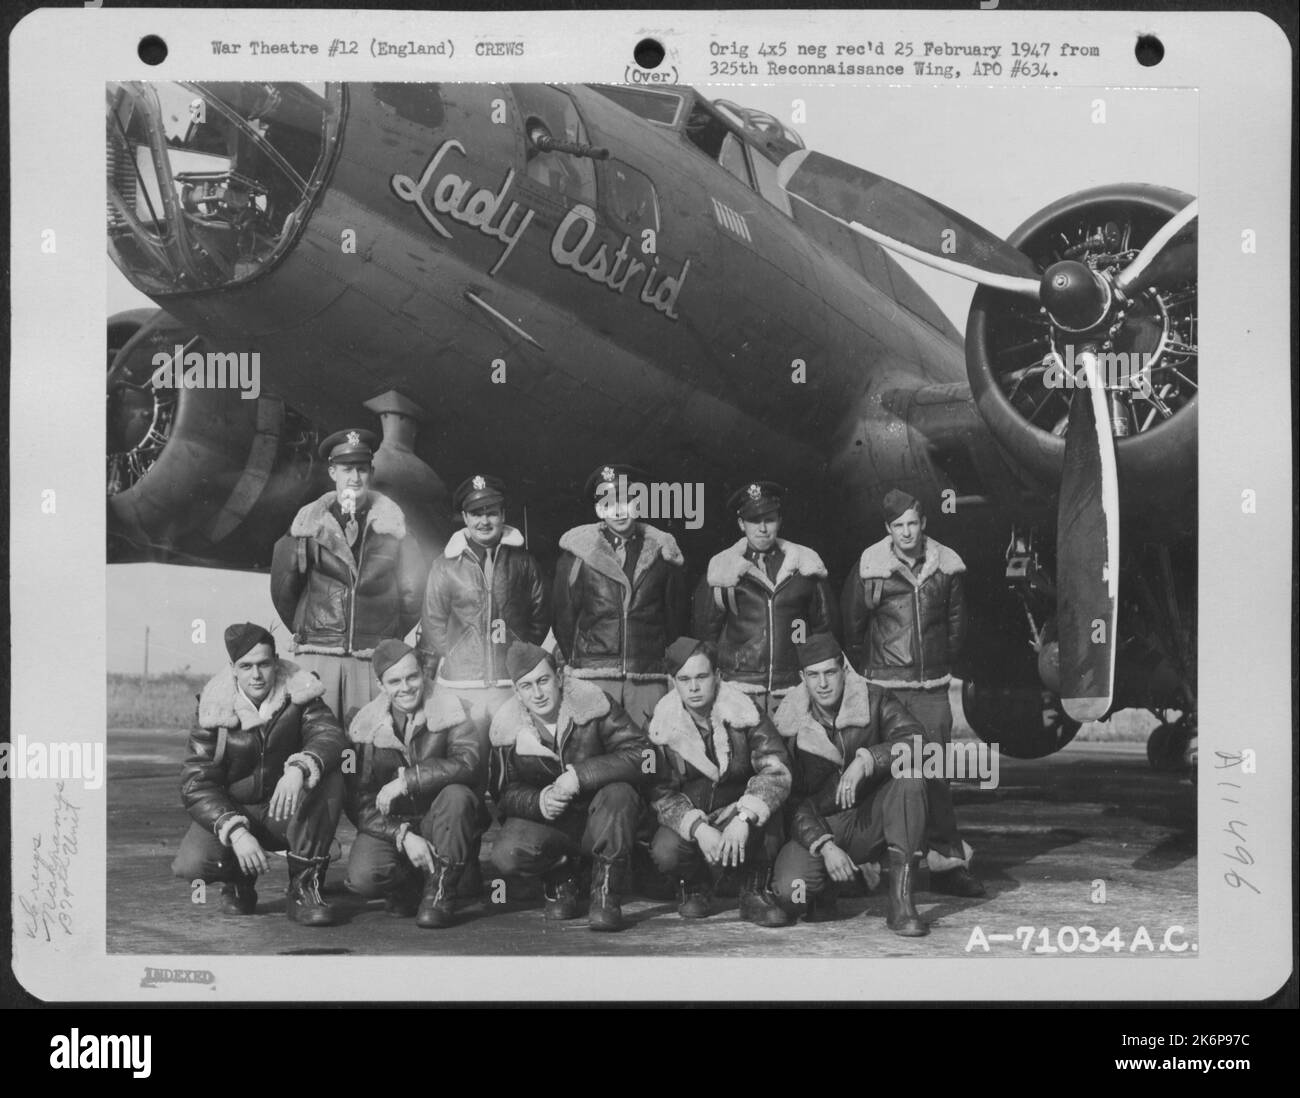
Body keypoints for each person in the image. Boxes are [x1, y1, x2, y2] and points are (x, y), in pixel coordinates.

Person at [841, 488, 984, 898]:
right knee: (881, 774)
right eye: (898, 525)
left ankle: (947, 863)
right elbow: (852, 628)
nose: (907, 532)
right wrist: (875, 673)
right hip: (885, 690)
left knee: (935, 775)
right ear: (888, 529)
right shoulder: (870, 568)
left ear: (924, 525)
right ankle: (871, 861)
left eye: (913, 524)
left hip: (931, 690)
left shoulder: (947, 567)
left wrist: (935, 665)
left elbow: (956, 629)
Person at [172, 623, 347, 926]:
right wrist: (235, 832)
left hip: (285, 809)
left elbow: (329, 735)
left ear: (276, 662)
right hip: (236, 810)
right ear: (233, 668)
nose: (256, 675)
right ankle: (238, 879)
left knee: (330, 776)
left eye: (264, 664)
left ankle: (304, 889)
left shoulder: (301, 692)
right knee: (192, 864)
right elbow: (196, 782)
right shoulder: (213, 707)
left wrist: (299, 767)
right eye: (246, 666)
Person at [771, 634, 930, 936]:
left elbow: (918, 741)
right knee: (792, 892)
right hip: (824, 824)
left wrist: (868, 759)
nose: (823, 684)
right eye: (814, 675)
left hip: (874, 816)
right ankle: (831, 889)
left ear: (844, 671)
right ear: (802, 678)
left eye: (830, 673)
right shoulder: (788, 722)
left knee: (911, 779)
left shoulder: (875, 698)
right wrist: (825, 845)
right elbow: (791, 801)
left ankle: (901, 903)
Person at [488, 642, 648, 932]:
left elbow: (642, 756)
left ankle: (605, 894)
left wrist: (580, 775)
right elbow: (505, 793)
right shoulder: (507, 727)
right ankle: (561, 875)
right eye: (526, 686)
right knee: (506, 854)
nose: (537, 693)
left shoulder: (595, 704)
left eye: (543, 681)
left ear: (559, 677)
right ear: (516, 691)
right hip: (552, 825)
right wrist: (539, 801)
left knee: (620, 793)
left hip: (599, 819)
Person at [270, 428, 424, 727]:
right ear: (332, 472)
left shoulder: (396, 530)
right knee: (317, 738)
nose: (355, 477)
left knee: (368, 747)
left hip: (372, 658)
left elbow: (412, 594)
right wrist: (315, 629)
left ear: (371, 472)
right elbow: (284, 590)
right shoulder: (306, 527)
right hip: (319, 654)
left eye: (362, 469)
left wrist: (381, 633)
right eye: (346, 469)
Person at [646, 637, 793, 927]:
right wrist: (698, 828)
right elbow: (659, 792)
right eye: (684, 679)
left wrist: (744, 815)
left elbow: (776, 769)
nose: (694, 687)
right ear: (673, 681)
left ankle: (754, 891)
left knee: (770, 813)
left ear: (718, 676)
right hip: (694, 819)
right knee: (665, 850)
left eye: (702, 677)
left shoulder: (745, 712)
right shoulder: (660, 724)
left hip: (736, 816)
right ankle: (695, 886)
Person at [343, 640, 487, 929]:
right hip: (396, 825)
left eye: (412, 677)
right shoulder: (364, 725)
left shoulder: (454, 709)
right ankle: (409, 883)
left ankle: (441, 889)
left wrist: (408, 780)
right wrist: (403, 835)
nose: (405, 687)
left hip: (443, 822)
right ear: (381, 684)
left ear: (424, 673)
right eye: (394, 681)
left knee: (457, 794)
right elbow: (359, 803)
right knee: (363, 877)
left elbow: (468, 763)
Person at [553, 463, 688, 727]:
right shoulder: (576, 557)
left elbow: (676, 618)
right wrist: (584, 660)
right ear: (598, 509)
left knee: (649, 754)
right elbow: (563, 618)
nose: (617, 510)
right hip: (593, 676)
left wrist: (658, 663)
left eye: (625, 500)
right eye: (608, 502)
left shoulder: (662, 554)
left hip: (646, 677)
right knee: (596, 756)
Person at [417, 474, 550, 739]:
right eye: (476, 513)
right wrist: (458, 651)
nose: (484, 521)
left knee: (510, 755)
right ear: (465, 518)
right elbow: (433, 621)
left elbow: (540, 616)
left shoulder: (524, 563)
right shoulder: (445, 565)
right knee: (468, 754)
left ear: (503, 515)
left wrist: (516, 651)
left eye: (491, 513)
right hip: (461, 684)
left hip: (509, 684)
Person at [693, 481, 836, 714]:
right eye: (753, 521)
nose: (762, 528)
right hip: (738, 689)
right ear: (741, 524)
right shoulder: (722, 571)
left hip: (792, 687)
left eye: (769, 519)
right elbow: (705, 637)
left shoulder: (805, 567)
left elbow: (824, 631)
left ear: (780, 521)